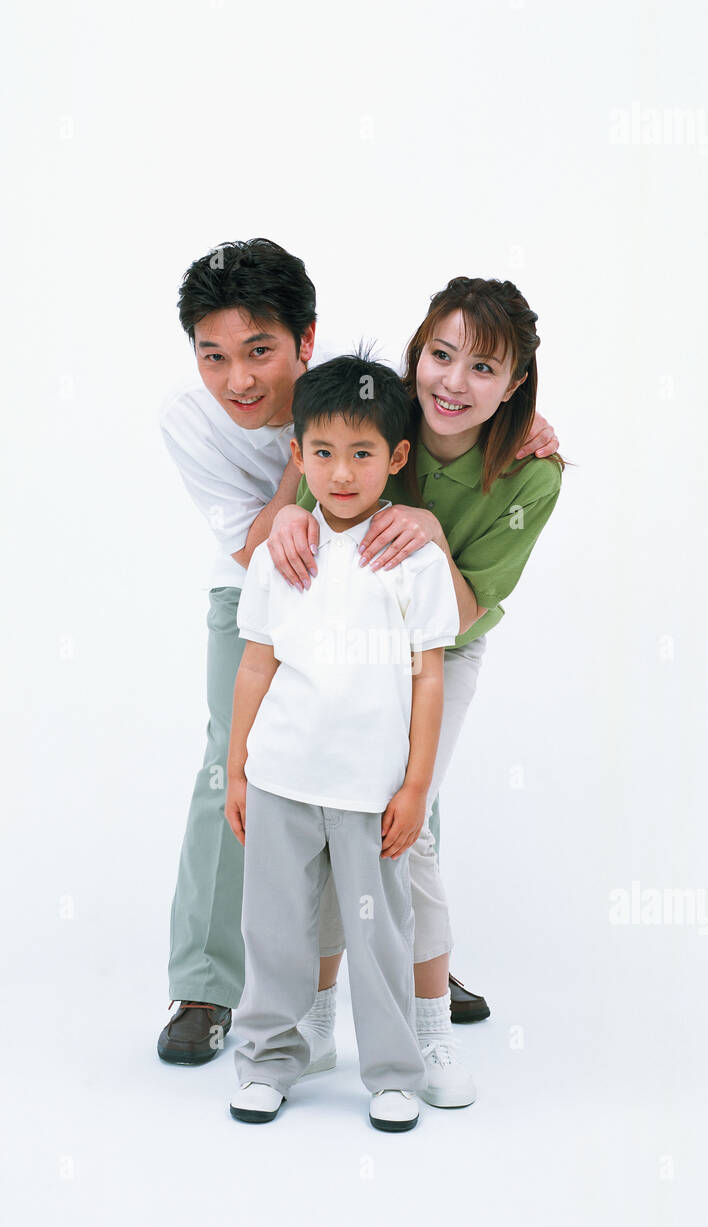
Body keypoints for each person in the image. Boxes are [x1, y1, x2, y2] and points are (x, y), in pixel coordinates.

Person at [156, 239, 558, 1070]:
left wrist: (509, 433)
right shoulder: (218, 420)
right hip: (277, 594)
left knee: (401, 783)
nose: (239, 378)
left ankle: (416, 972)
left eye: (260, 351)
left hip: (404, 618)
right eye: (215, 355)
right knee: (234, 770)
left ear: (306, 342)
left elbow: (460, 594)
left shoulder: (428, 421)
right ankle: (206, 982)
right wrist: (298, 490)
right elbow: (260, 553)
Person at [266, 276, 567, 1108]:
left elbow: (465, 615)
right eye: (441, 355)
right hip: (340, 647)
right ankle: (322, 1023)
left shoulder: (531, 477)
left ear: (515, 387)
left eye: (483, 369)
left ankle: (428, 1035)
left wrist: (432, 529)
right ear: (416, 353)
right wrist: (291, 515)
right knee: (327, 820)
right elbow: (307, 496)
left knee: (407, 836)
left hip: (439, 655)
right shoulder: (376, 409)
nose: (453, 382)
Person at [225, 350, 459, 1130]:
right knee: (275, 931)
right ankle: (266, 1060)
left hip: (370, 789)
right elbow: (255, 665)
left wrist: (416, 786)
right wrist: (236, 774)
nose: (342, 472)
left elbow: (430, 678)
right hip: (282, 778)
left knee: (380, 935)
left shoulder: (414, 560)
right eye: (322, 452)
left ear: (396, 457)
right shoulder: (282, 552)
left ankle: (395, 1072)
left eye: (363, 453)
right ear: (298, 456)